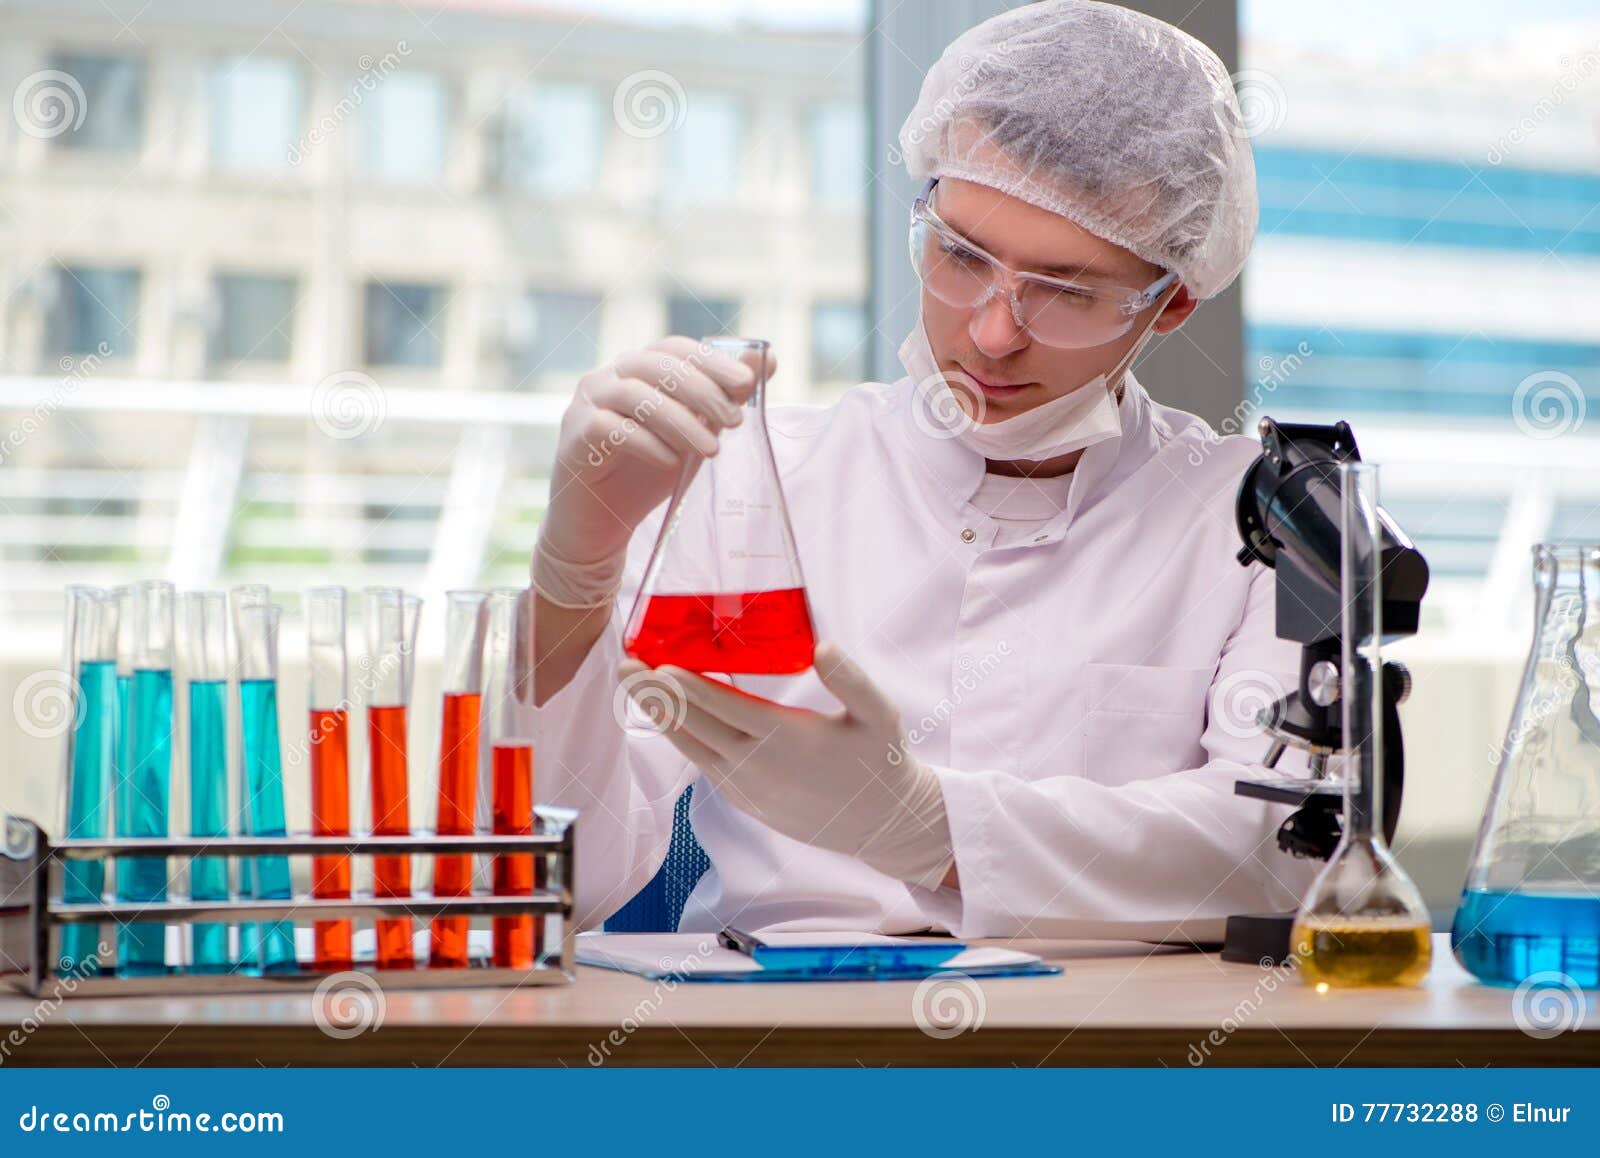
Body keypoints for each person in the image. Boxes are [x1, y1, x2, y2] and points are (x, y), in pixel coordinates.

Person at [528, 0, 1321, 941]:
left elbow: (1289, 855)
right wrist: (576, 572)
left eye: (1066, 292)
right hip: (784, 1042)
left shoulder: (1266, 520)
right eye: (960, 254)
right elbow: (560, 881)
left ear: (1172, 303)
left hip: (1107, 1051)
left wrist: (925, 826)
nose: (991, 334)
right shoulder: (760, 484)